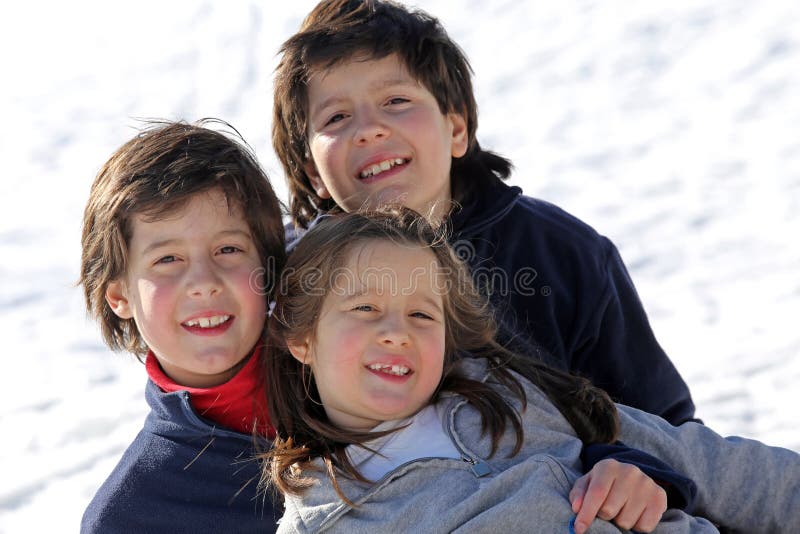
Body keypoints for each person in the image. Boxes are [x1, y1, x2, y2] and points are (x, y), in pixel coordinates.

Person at [272, 0, 696, 424]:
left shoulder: (561, 254)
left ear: (456, 129)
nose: (368, 129)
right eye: (337, 116)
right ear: (314, 173)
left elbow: (668, 429)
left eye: (396, 100)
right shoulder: (286, 271)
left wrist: (629, 469)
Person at [262, 208, 799, 533]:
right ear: (301, 336)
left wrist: (638, 477)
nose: (397, 331)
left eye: (423, 314)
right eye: (364, 309)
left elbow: (709, 463)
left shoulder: (508, 398)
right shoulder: (329, 520)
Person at [79, 120, 285, 533]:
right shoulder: (130, 516)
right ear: (118, 295)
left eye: (229, 249)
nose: (205, 283)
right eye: (167, 260)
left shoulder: (355, 378)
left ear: (267, 269)